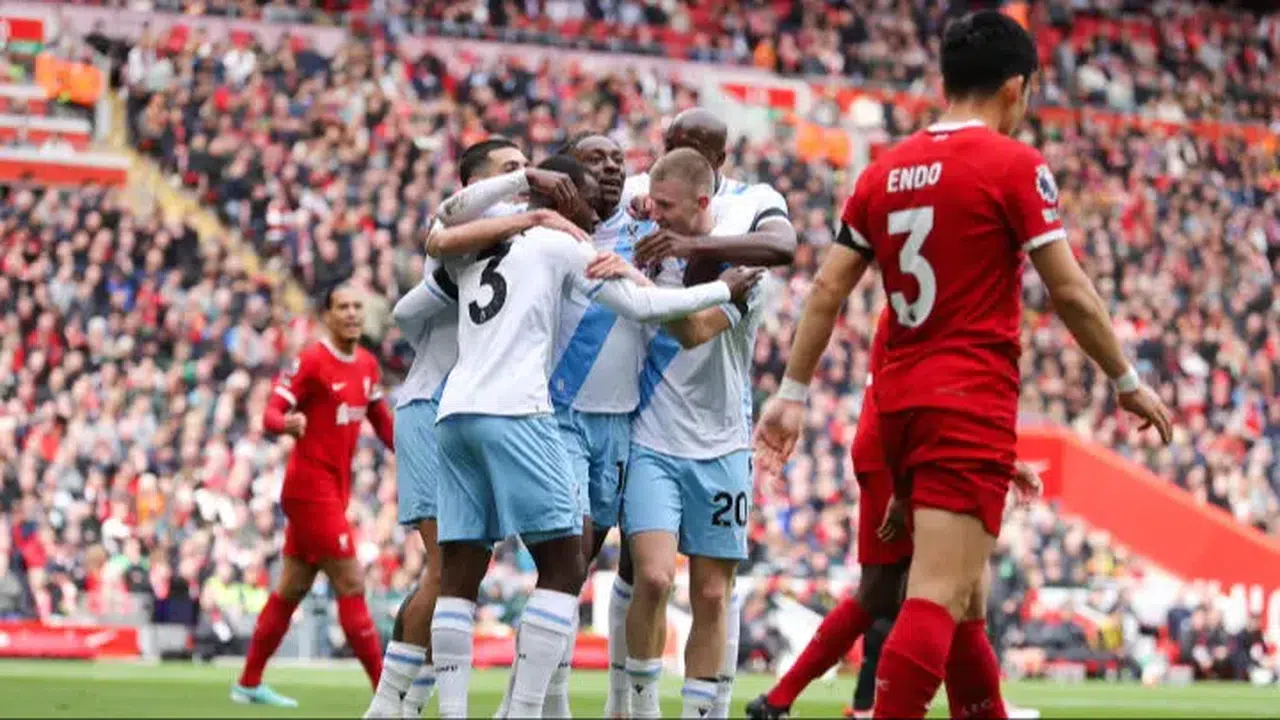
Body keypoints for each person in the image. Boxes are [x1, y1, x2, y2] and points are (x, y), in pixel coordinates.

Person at [753, 11, 1171, 720]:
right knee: (937, 595)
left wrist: (791, 393)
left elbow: (827, 288)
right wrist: (1126, 382)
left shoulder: (882, 170)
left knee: (967, 599)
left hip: (898, 403)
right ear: (1017, 88)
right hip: (967, 394)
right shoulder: (1015, 165)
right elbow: (1067, 288)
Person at [425, 155, 762, 719]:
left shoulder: (473, 246)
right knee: (565, 565)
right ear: (568, 200)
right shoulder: (564, 245)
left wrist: (519, 187)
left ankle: (455, 713)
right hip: (520, 412)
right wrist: (722, 290)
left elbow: (438, 225)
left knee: (459, 569)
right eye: (583, 190)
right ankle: (529, 709)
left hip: (455, 413)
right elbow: (644, 304)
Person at [364, 138, 587, 720]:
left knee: (464, 567)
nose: (525, 176)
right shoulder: (467, 240)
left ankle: (409, 704)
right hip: (438, 404)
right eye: (509, 170)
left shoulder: (521, 245)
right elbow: (407, 312)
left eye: (527, 167)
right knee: (447, 570)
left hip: (471, 410)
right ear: (474, 183)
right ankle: (392, 706)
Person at [611, 107, 798, 718]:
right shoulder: (649, 213)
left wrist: (641, 289)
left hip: (721, 445)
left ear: (706, 190)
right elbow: (622, 194)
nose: (654, 215)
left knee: (714, 593)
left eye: (667, 209)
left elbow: (693, 330)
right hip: (651, 438)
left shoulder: (744, 268)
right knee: (656, 578)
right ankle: (638, 706)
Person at [231, 283, 395, 708]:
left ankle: (248, 682)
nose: (353, 314)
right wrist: (285, 424)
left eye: (358, 306)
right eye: (343, 307)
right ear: (328, 315)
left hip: (333, 492)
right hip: (309, 489)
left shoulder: (367, 366)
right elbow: (270, 411)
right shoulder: (312, 362)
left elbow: (382, 423)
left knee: (292, 587)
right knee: (351, 581)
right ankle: (386, 695)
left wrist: (420, 454)